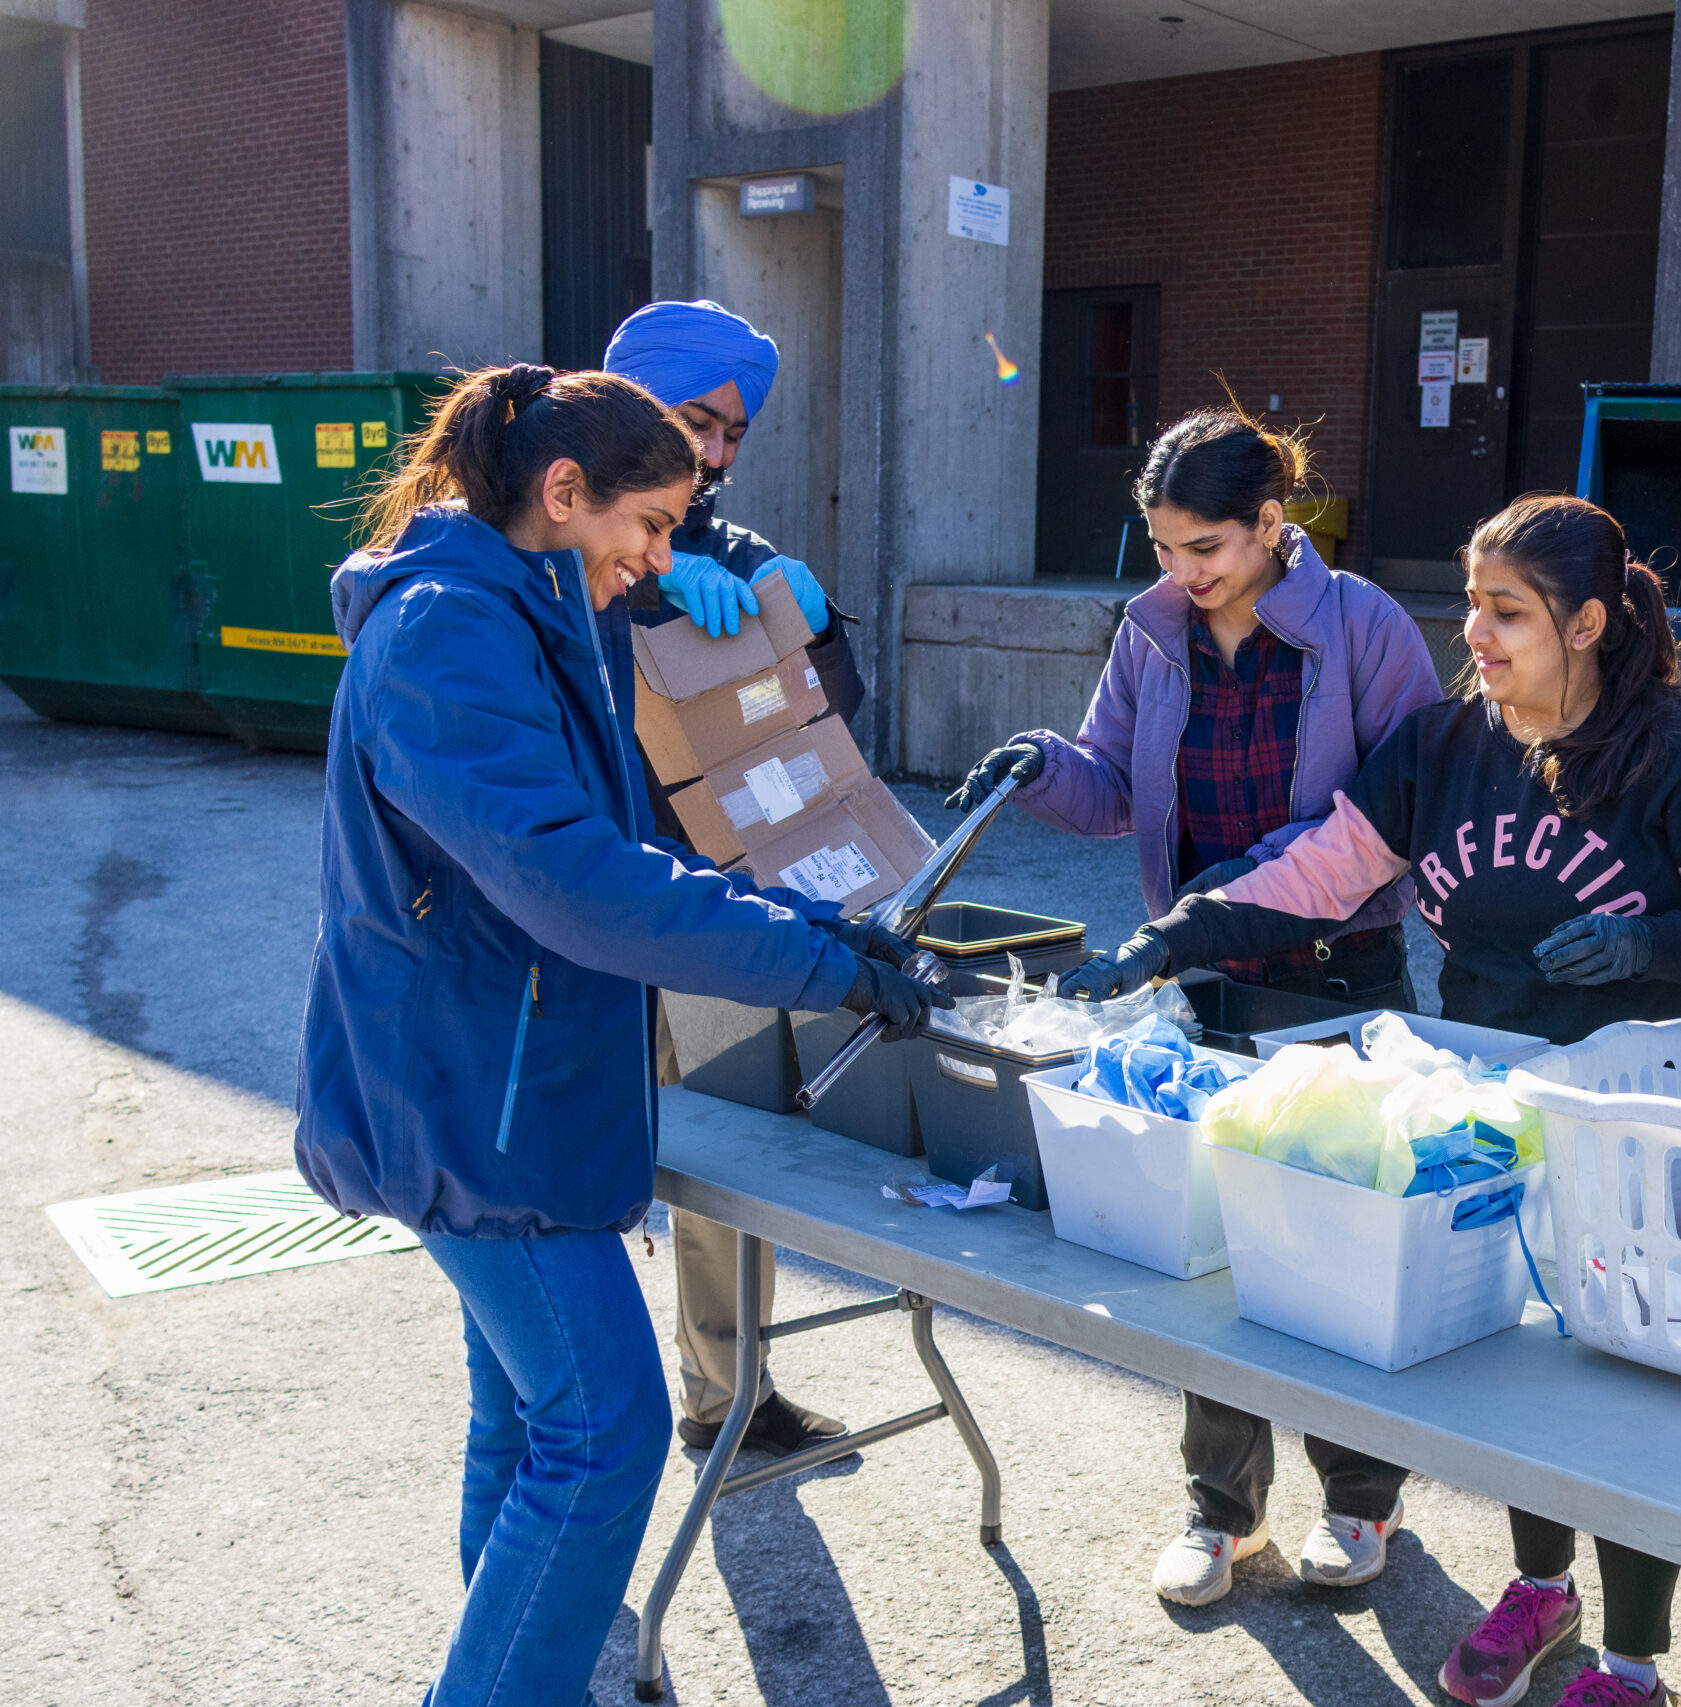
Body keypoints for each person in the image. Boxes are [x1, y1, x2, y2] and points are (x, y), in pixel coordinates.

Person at [294, 364, 950, 1707]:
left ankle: (535, 1664)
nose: (661, 557)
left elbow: (632, 844)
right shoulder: (447, 631)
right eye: (650, 523)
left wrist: (807, 917)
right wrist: (816, 966)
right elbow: (573, 883)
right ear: (561, 491)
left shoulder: (544, 604)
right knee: (607, 1430)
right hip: (473, 1093)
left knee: (533, 1414)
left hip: (509, 1078)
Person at [1061, 493, 1681, 1707]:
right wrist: (1168, 940)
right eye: (1471, 607)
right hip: (1487, 1101)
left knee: (1625, 1390)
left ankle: (1635, 1664)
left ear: (1588, 622)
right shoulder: (1444, 747)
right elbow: (1323, 871)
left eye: (1507, 614)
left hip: (1640, 1121)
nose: (1474, 636)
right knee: (1517, 1372)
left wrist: (1650, 945)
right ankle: (1541, 1588)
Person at [947, 407, 1445, 1607]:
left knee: (1336, 1248)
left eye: (1206, 547)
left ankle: (1360, 1501)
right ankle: (1223, 1510)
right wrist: (1035, 769)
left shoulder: (1364, 625)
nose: (1184, 572)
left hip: (1336, 973)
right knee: (1204, 1250)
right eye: (1163, 547)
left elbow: (1397, 813)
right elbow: (1112, 786)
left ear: (1273, 524)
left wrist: (1245, 877)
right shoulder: (1152, 629)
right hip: (1199, 978)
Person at [603, 299, 864, 1459]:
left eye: (731, 434)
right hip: (586, 908)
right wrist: (656, 600)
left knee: (719, 1153)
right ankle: (578, 1410)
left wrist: (810, 618)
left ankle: (728, 1394)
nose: (710, 453)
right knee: (578, 1163)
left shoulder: (731, 545)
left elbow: (827, 711)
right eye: (693, 420)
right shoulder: (551, 548)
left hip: (710, 898)